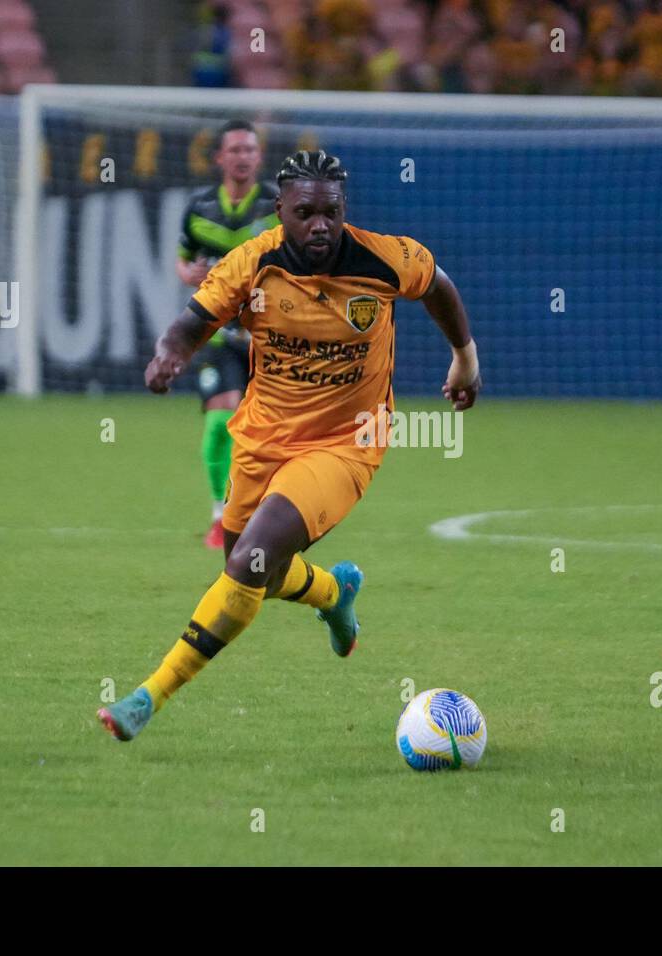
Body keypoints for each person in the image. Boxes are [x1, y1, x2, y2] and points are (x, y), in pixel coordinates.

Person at [98, 150, 482, 742]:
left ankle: (148, 696)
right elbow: (192, 322)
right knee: (259, 569)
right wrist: (170, 355)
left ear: (344, 210)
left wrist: (464, 359)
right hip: (264, 435)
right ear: (280, 212)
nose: (320, 225)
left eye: (331, 211)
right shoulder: (252, 264)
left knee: (245, 562)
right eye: (306, 213)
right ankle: (333, 591)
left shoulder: (383, 260)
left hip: (347, 443)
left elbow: (438, 287)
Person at [176, 120, 280, 548]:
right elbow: (182, 263)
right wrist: (191, 274)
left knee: (269, 432)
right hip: (217, 335)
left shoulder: (279, 205)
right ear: (220, 158)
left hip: (269, 338)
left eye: (250, 150)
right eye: (235, 149)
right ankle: (222, 517)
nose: (243, 156)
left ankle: (272, 513)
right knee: (221, 423)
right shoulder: (199, 208)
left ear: (258, 157)